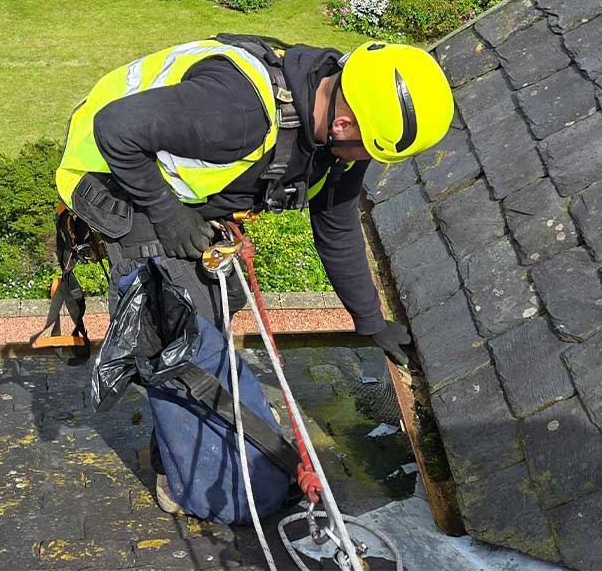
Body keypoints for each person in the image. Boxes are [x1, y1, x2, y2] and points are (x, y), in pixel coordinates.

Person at [54, 34, 454, 515]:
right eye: (366, 150)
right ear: (344, 122)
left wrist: (369, 321)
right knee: (177, 331)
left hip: (169, 176)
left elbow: (337, 227)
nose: (364, 161)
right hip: (113, 174)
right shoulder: (237, 114)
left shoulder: (334, 122)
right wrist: (168, 214)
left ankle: (188, 429)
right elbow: (115, 129)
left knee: (217, 302)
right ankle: (183, 474)